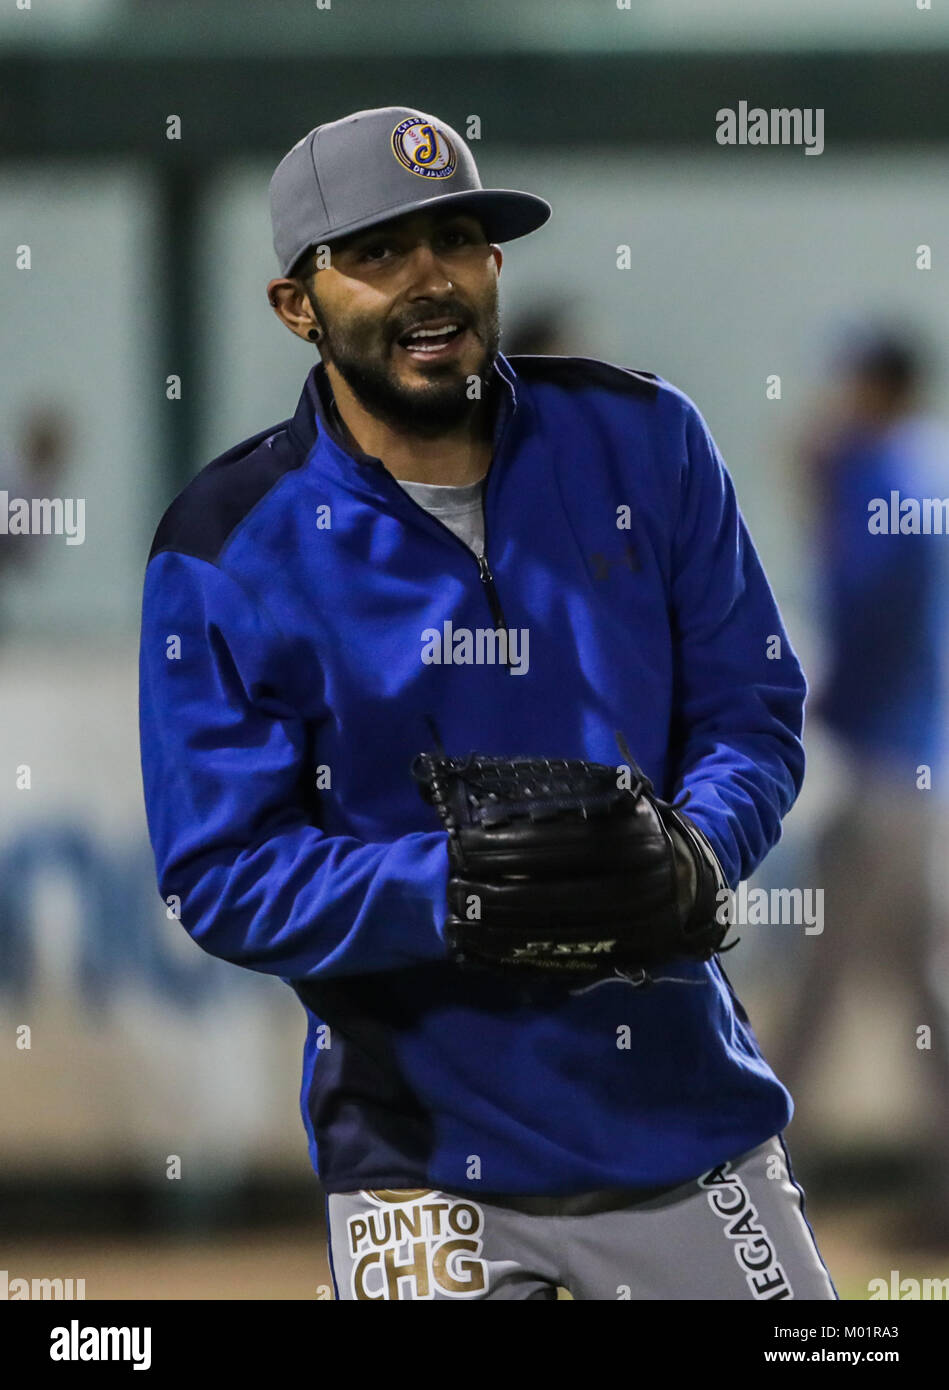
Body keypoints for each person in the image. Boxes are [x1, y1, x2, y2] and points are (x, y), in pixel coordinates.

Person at [138, 105, 836, 1300]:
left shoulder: (645, 440)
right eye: (377, 253)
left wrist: (695, 852)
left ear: (493, 264)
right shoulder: (225, 544)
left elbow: (750, 711)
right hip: (414, 1160)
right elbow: (219, 871)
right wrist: (449, 888)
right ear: (294, 305)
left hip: (680, 1117)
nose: (430, 281)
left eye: (455, 239)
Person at [775, 328, 949, 1245]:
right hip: (920, 769)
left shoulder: (881, 476)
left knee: (824, 983)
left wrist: (820, 489)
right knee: (914, 983)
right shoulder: (929, 464)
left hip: (884, 769)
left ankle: (752, 1185)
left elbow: (857, 613)